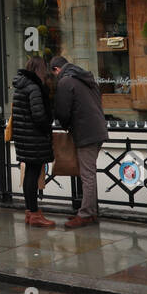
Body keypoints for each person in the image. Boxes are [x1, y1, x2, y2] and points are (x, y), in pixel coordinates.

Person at [50, 55, 108, 229]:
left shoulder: (66, 82)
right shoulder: (83, 78)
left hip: (86, 132)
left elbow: (63, 111)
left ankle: (86, 215)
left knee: (87, 174)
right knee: (88, 172)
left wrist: (64, 123)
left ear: (56, 69)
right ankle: (89, 210)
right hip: (97, 129)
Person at [12, 57, 56, 229]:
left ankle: (30, 212)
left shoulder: (21, 87)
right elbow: (38, 115)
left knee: (30, 173)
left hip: (25, 137)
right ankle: (34, 213)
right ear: (40, 69)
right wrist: (46, 127)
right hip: (34, 138)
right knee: (33, 174)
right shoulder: (34, 88)